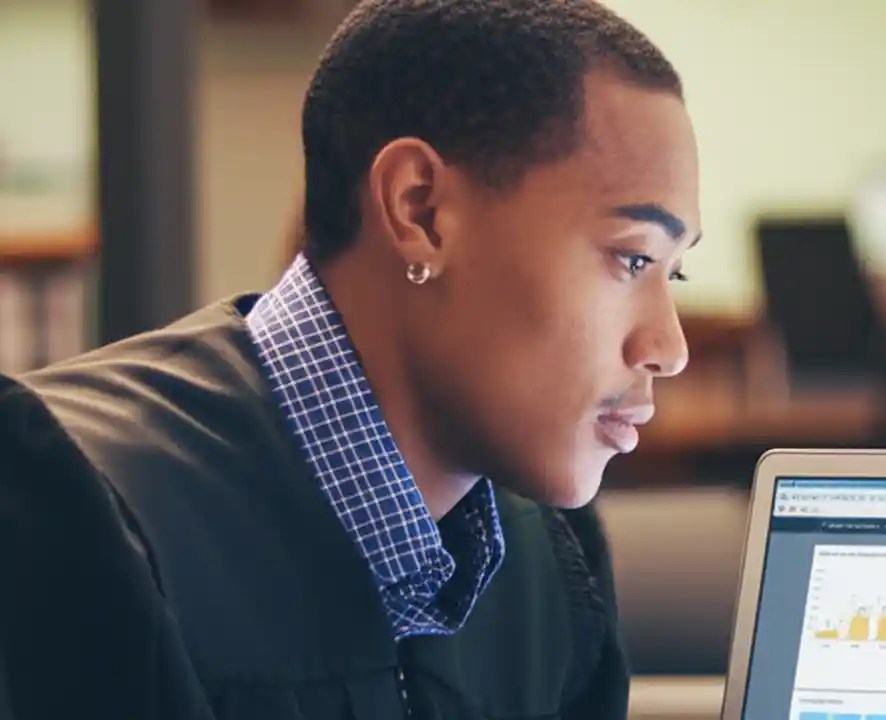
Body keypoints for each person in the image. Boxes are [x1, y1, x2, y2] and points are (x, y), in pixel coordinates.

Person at [0, 0, 700, 717]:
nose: (668, 348)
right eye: (632, 257)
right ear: (420, 209)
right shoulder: (59, 512)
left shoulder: (549, 567)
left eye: (671, 273)